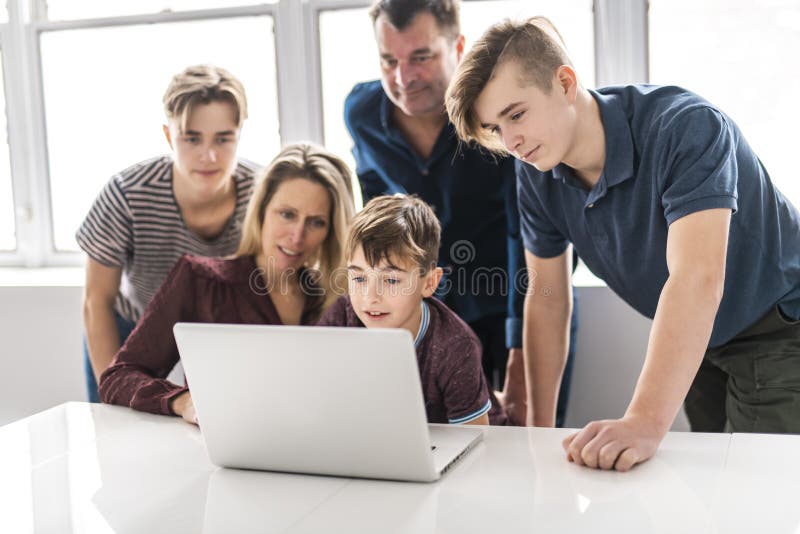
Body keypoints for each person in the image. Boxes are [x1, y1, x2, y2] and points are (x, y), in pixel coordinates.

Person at [445, 15, 800, 471]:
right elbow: (548, 299)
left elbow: (697, 279)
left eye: (516, 114)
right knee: (711, 486)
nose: (511, 141)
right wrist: (538, 433)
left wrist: (644, 420)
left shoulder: (686, 128)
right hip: (703, 338)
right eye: (495, 128)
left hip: (780, 326)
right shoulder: (534, 171)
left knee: (765, 490)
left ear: (565, 82)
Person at [344, 0, 578, 426]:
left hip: (517, 301)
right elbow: (376, 216)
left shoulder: (497, 115)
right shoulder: (361, 115)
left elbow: (524, 233)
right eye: (388, 60)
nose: (404, 77)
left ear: (459, 47)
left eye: (421, 56)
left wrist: (520, 353)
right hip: (427, 311)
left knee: (526, 441)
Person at [99, 143, 356, 424]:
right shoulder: (199, 281)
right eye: (287, 214)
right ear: (261, 210)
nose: (297, 236)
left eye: (316, 222)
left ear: (330, 232)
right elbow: (118, 376)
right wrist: (183, 401)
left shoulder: (339, 302)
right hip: (217, 456)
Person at [77, 65, 259, 403]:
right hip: (133, 324)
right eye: (192, 138)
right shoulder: (127, 194)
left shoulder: (262, 194)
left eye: (223, 138)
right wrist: (113, 394)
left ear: (239, 135)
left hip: (220, 331)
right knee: (116, 432)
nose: (209, 155)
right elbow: (96, 300)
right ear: (168, 135)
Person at [318, 194, 500, 425]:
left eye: (391, 280)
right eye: (359, 278)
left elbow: (475, 442)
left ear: (429, 283)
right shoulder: (341, 317)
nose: (370, 297)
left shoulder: (455, 347)